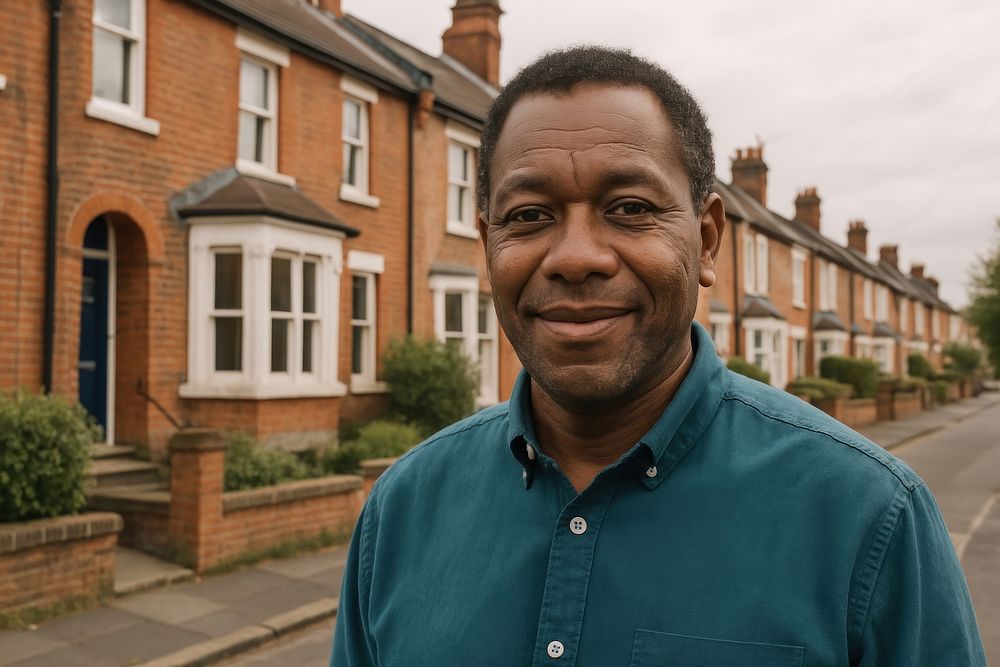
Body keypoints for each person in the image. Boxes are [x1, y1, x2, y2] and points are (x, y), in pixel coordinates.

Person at [332, 46, 985, 666]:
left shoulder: (868, 513)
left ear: (705, 240)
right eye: (529, 215)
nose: (576, 256)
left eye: (631, 208)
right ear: (487, 243)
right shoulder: (401, 511)